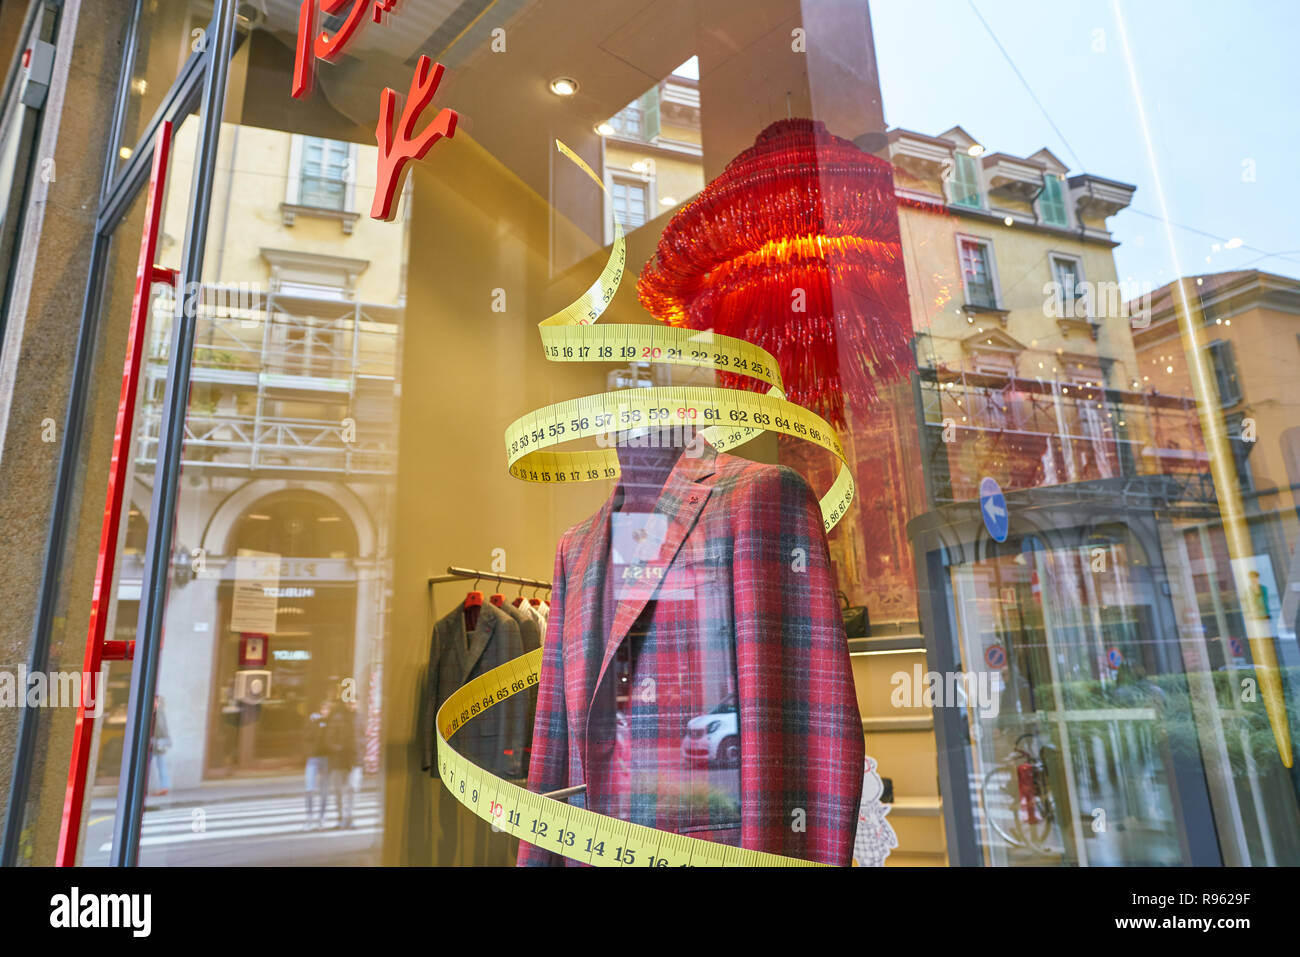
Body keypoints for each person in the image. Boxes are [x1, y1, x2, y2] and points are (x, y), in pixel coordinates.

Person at [325, 696, 360, 828]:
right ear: (346, 704)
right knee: (339, 791)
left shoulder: (359, 718)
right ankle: (340, 818)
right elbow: (329, 739)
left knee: (352, 789)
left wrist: (361, 755)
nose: (352, 706)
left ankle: (350, 818)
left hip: (354, 761)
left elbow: (363, 737)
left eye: (354, 703)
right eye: (350, 703)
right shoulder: (337, 718)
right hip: (339, 761)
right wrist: (339, 749)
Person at [303, 698, 332, 830]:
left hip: (326, 758)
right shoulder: (314, 721)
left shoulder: (332, 723)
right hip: (313, 757)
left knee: (324, 790)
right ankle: (309, 818)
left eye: (326, 710)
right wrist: (314, 723)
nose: (324, 712)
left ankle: (322, 817)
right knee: (309, 788)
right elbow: (306, 736)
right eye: (322, 709)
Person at [148, 695, 171, 796]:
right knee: (161, 764)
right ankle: (164, 786)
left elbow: (160, 728)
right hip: (158, 742)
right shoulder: (160, 711)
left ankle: (163, 786)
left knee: (151, 765)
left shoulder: (157, 711)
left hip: (155, 742)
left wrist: (154, 738)